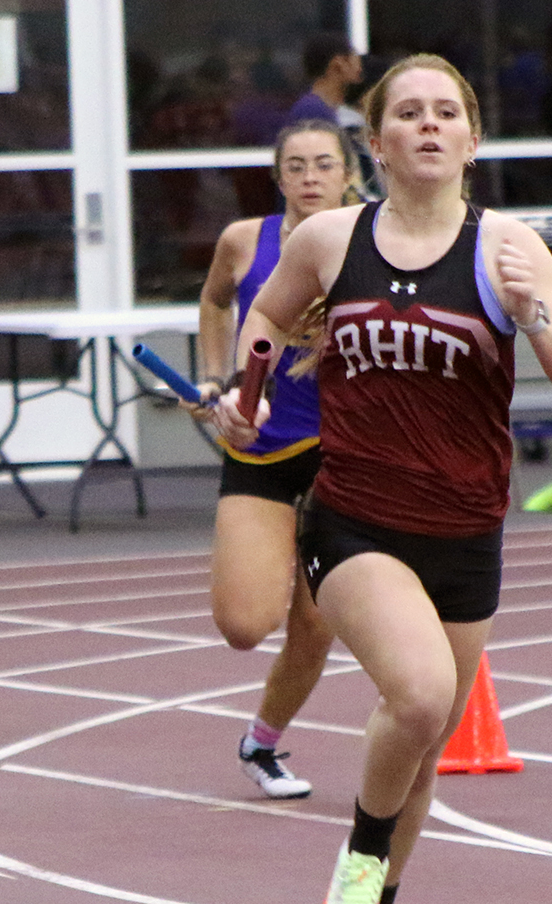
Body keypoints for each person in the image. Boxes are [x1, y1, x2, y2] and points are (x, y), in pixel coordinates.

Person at [211, 53, 552, 904]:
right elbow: (262, 317)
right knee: (419, 695)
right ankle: (354, 877)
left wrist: (536, 311)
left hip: (466, 531)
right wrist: (243, 400)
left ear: (471, 140)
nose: (428, 126)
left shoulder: (509, 247)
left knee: (420, 752)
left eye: (446, 113)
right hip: (355, 521)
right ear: (374, 144)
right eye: (408, 114)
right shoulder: (335, 240)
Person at [188, 120, 359, 799]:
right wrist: (215, 380)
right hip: (259, 447)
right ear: (278, 176)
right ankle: (275, 558)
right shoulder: (243, 241)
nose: (310, 177)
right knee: (243, 625)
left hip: (341, 456)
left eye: (323, 164)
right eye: (296, 166)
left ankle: (262, 742)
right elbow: (213, 300)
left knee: (317, 624)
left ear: (348, 172)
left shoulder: (375, 242)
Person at [284, 32, 363, 129]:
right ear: (338, 63)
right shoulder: (312, 110)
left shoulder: (330, 108)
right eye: (355, 58)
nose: (360, 68)